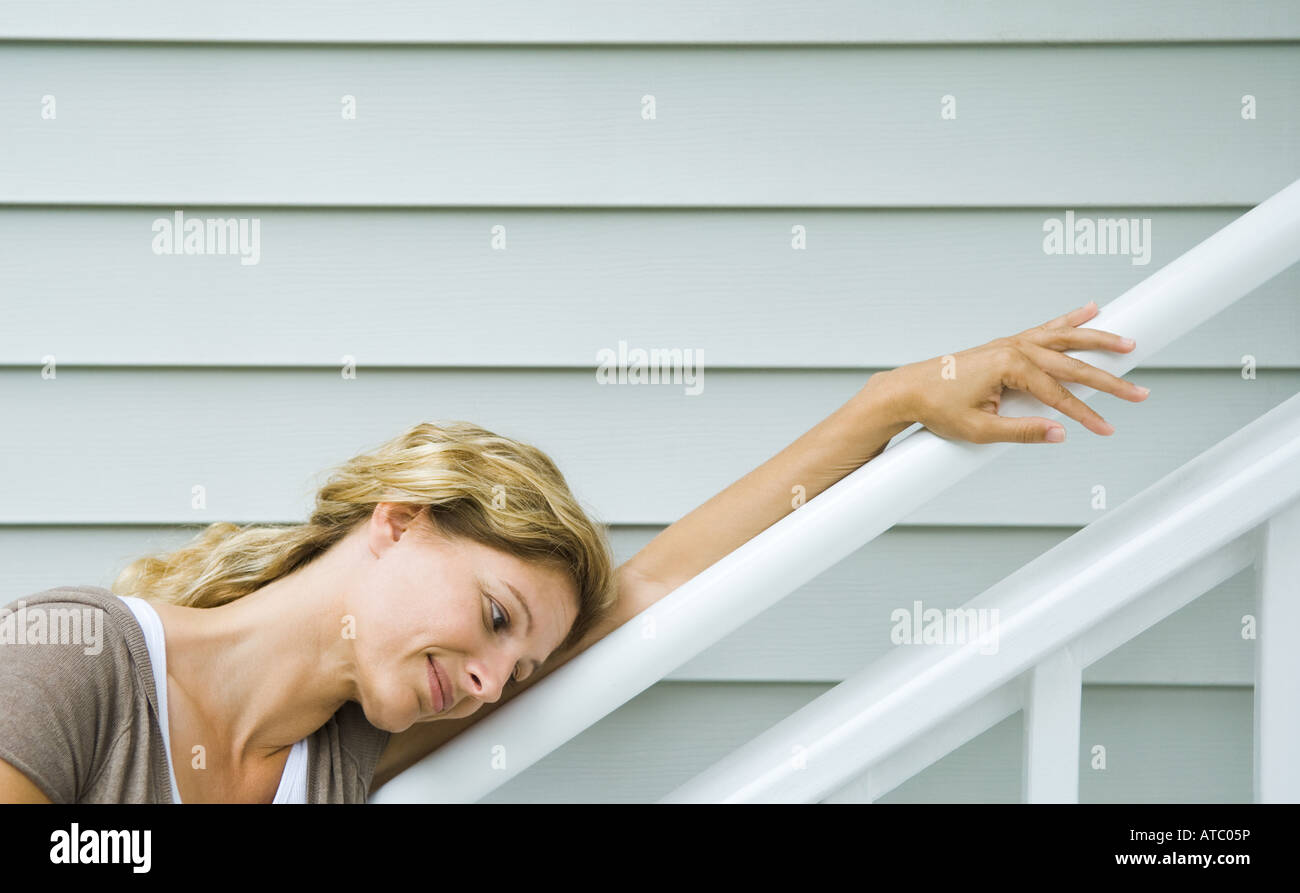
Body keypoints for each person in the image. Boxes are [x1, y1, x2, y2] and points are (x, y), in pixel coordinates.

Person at [0, 301, 1147, 803]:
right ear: (399, 518)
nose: (496, 683)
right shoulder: (80, 659)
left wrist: (888, 403)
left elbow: (654, 587)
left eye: (520, 670)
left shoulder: (342, 760)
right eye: (498, 618)